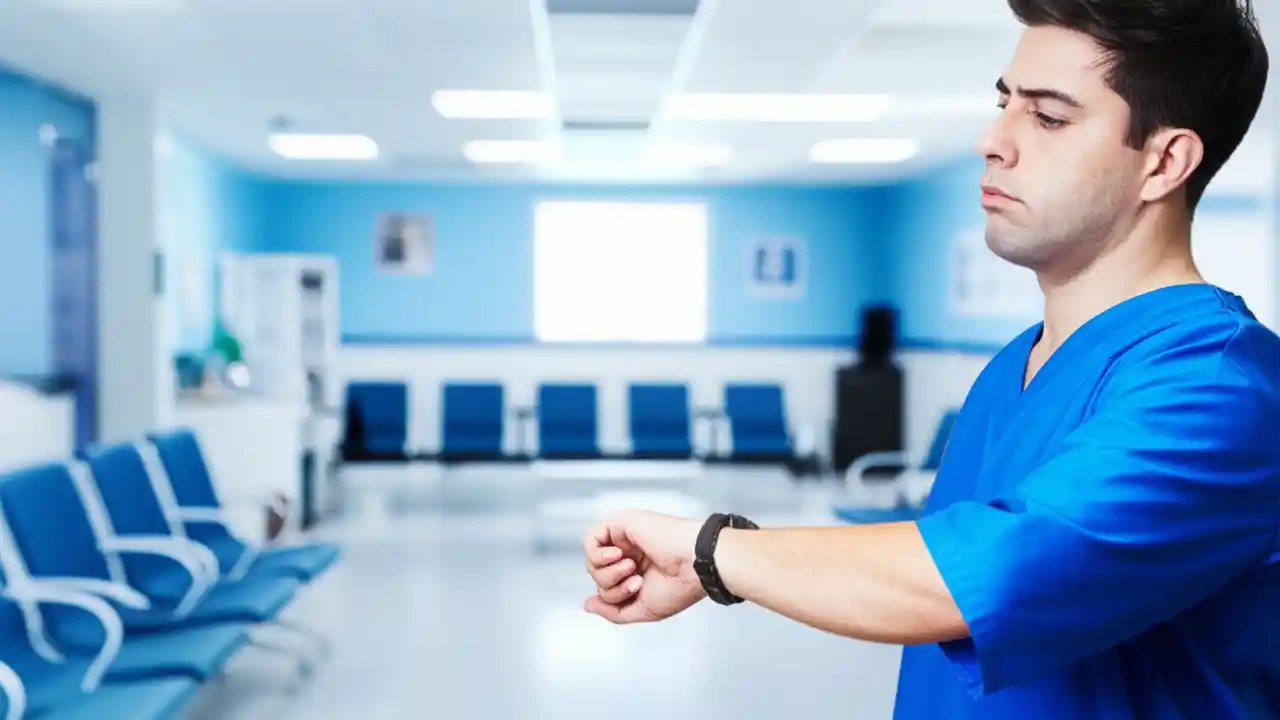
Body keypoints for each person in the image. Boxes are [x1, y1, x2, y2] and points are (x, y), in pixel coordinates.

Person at [581, 1, 1280, 717]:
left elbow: (969, 581)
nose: (993, 141)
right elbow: (929, 565)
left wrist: (713, 552)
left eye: (1047, 118)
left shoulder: (1218, 386)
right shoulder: (1018, 364)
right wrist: (720, 564)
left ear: (1164, 162)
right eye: (1004, 103)